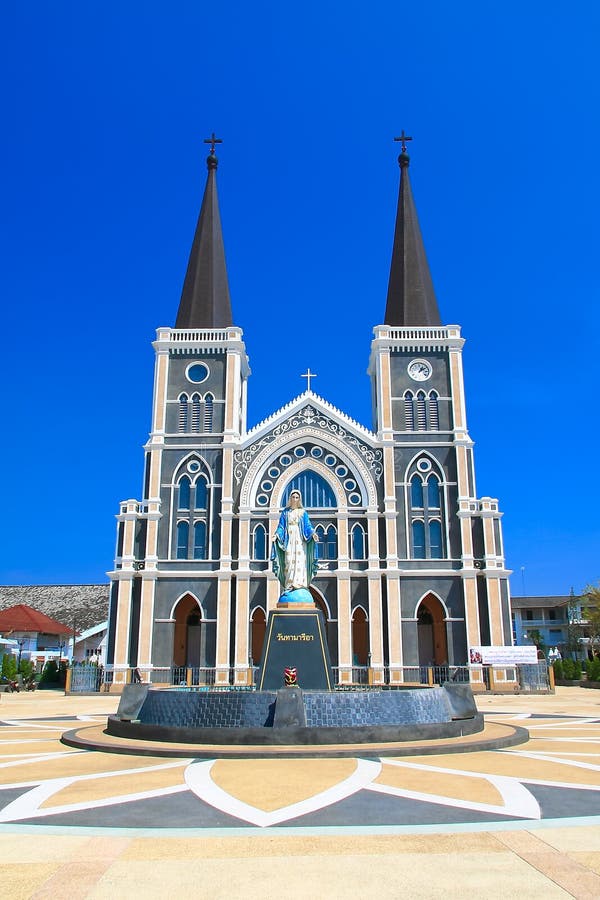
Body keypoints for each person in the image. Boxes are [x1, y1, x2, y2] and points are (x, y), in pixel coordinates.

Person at [271, 489, 319, 593]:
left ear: (299, 499)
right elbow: (281, 526)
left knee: (300, 560)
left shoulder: (303, 512)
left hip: (300, 541)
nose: (295, 499)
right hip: (289, 540)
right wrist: (277, 535)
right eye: (293, 497)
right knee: (289, 560)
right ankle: (290, 584)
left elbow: (307, 526)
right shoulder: (285, 512)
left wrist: (313, 533)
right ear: (290, 498)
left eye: (297, 497)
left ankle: (300, 583)